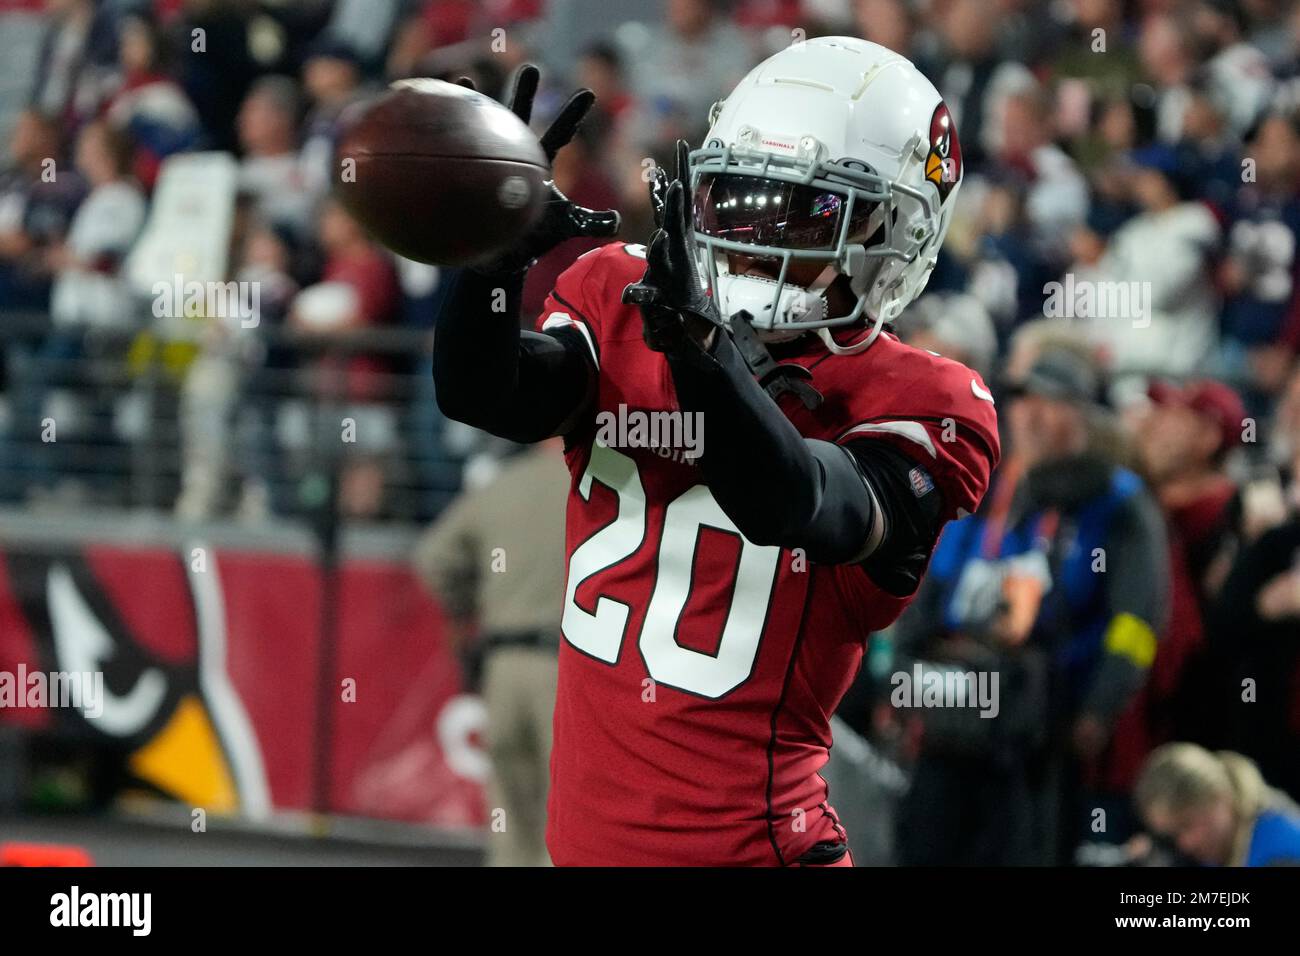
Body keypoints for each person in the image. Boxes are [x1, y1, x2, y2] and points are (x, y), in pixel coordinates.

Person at [433, 43, 1000, 866]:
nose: (751, 240)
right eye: (734, 201)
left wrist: (701, 355)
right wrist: (493, 259)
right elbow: (482, 392)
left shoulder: (921, 401)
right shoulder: (629, 302)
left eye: (799, 214)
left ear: (890, 231)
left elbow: (791, 499)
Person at [412, 440, 570, 867]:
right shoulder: (592, 482)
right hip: (568, 670)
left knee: (508, 821)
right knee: (567, 816)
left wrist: (465, 607)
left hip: (503, 666)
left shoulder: (501, 485)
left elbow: (433, 557)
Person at [1134, 743, 1300, 866]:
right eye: (1173, 835)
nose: (1186, 844)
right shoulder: (1218, 850)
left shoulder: (1282, 848)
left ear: (1220, 797)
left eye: (1187, 825)